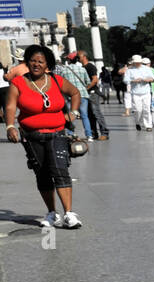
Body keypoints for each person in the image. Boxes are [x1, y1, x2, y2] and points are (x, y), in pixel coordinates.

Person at [4, 44, 84, 228]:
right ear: (27, 62)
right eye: (32, 60)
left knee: (60, 170)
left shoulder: (56, 80)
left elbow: (75, 93)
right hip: (32, 136)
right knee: (42, 174)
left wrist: (74, 112)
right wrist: (10, 126)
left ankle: (69, 214)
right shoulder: (18, 83)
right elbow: (10, 106)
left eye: (40, 61)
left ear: (47, 64)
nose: (36, 64)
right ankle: (51, 213)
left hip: (57, 133)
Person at [55, 51, 94, 142]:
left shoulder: (64, 70)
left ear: (69, 60)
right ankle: (89, 136)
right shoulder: (82, 69)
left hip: (70, 96)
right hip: (83, 94)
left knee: (70, 114)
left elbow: (60, 83)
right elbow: (88, 82)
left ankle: (70, 133)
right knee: (85, 115)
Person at [80, 52, 109, 139]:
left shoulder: (90, 67)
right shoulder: (83, 68)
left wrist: (86, 88)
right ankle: (94, 133)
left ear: (84, 57)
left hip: (92, 92)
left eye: (79, 56)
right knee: (90, 114)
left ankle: (104, 133)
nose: (78, 58)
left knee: (96, 112)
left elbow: (94, 80)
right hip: (87, 93)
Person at [125, 56, 154, 131]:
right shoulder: (129, 70)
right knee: (138, 110)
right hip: (135, 92)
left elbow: (152, 78)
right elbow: (126, 80)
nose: (138, 64)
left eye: (139, 62)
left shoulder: (147, 69)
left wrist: (146, 80)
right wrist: (134, 80)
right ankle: (137, 122)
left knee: (147, 109)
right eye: (136, 63)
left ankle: (148, 125)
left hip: (146, 92)